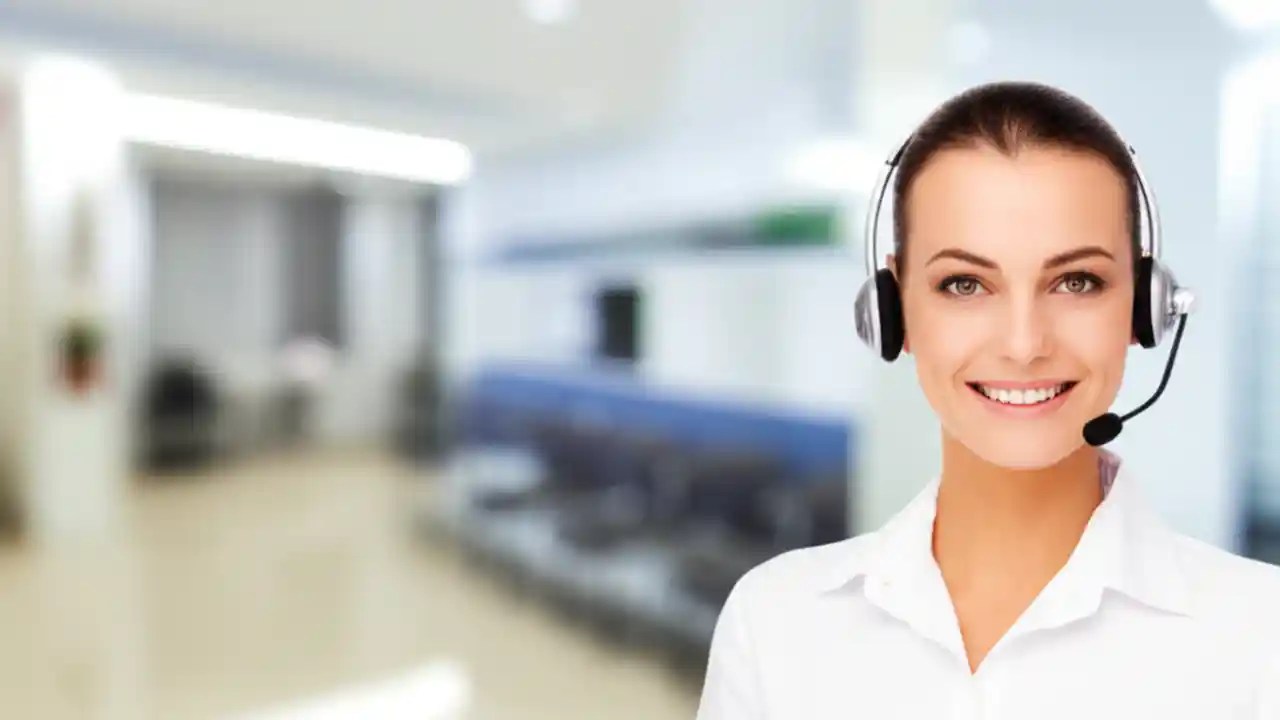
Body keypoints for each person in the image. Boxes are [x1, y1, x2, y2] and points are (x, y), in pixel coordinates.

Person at [694, 81, 1280, 719]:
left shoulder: (1258, 639)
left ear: (1145, 307)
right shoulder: (777, 623)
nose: (1024, 344)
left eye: (1076, 281)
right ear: (893, 312)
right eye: (965, 284)